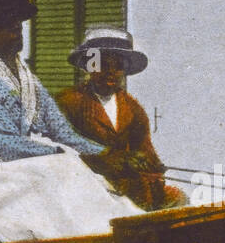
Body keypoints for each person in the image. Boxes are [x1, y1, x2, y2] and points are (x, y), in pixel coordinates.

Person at [0, 0, 143, 241]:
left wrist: (105, 154)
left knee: (83, 176)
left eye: (17, 23)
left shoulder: (27, 79)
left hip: (25, 160)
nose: (16, 30)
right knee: (62, 169)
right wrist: (62, 154)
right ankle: (88, 241)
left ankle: (116, 232)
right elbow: (5, 144)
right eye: (5, 25)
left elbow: (62, 131)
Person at [56, 26, 187, 211]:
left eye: (117, 66)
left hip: (131, 191)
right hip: (88, 191)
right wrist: (108, 161)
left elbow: (145, 150)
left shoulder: (132, 108)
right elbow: (61, 152)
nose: (110, 72)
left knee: (178, 199)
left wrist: (154, 170)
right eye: (102, 64)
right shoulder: (68, 102)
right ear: (89, 67)